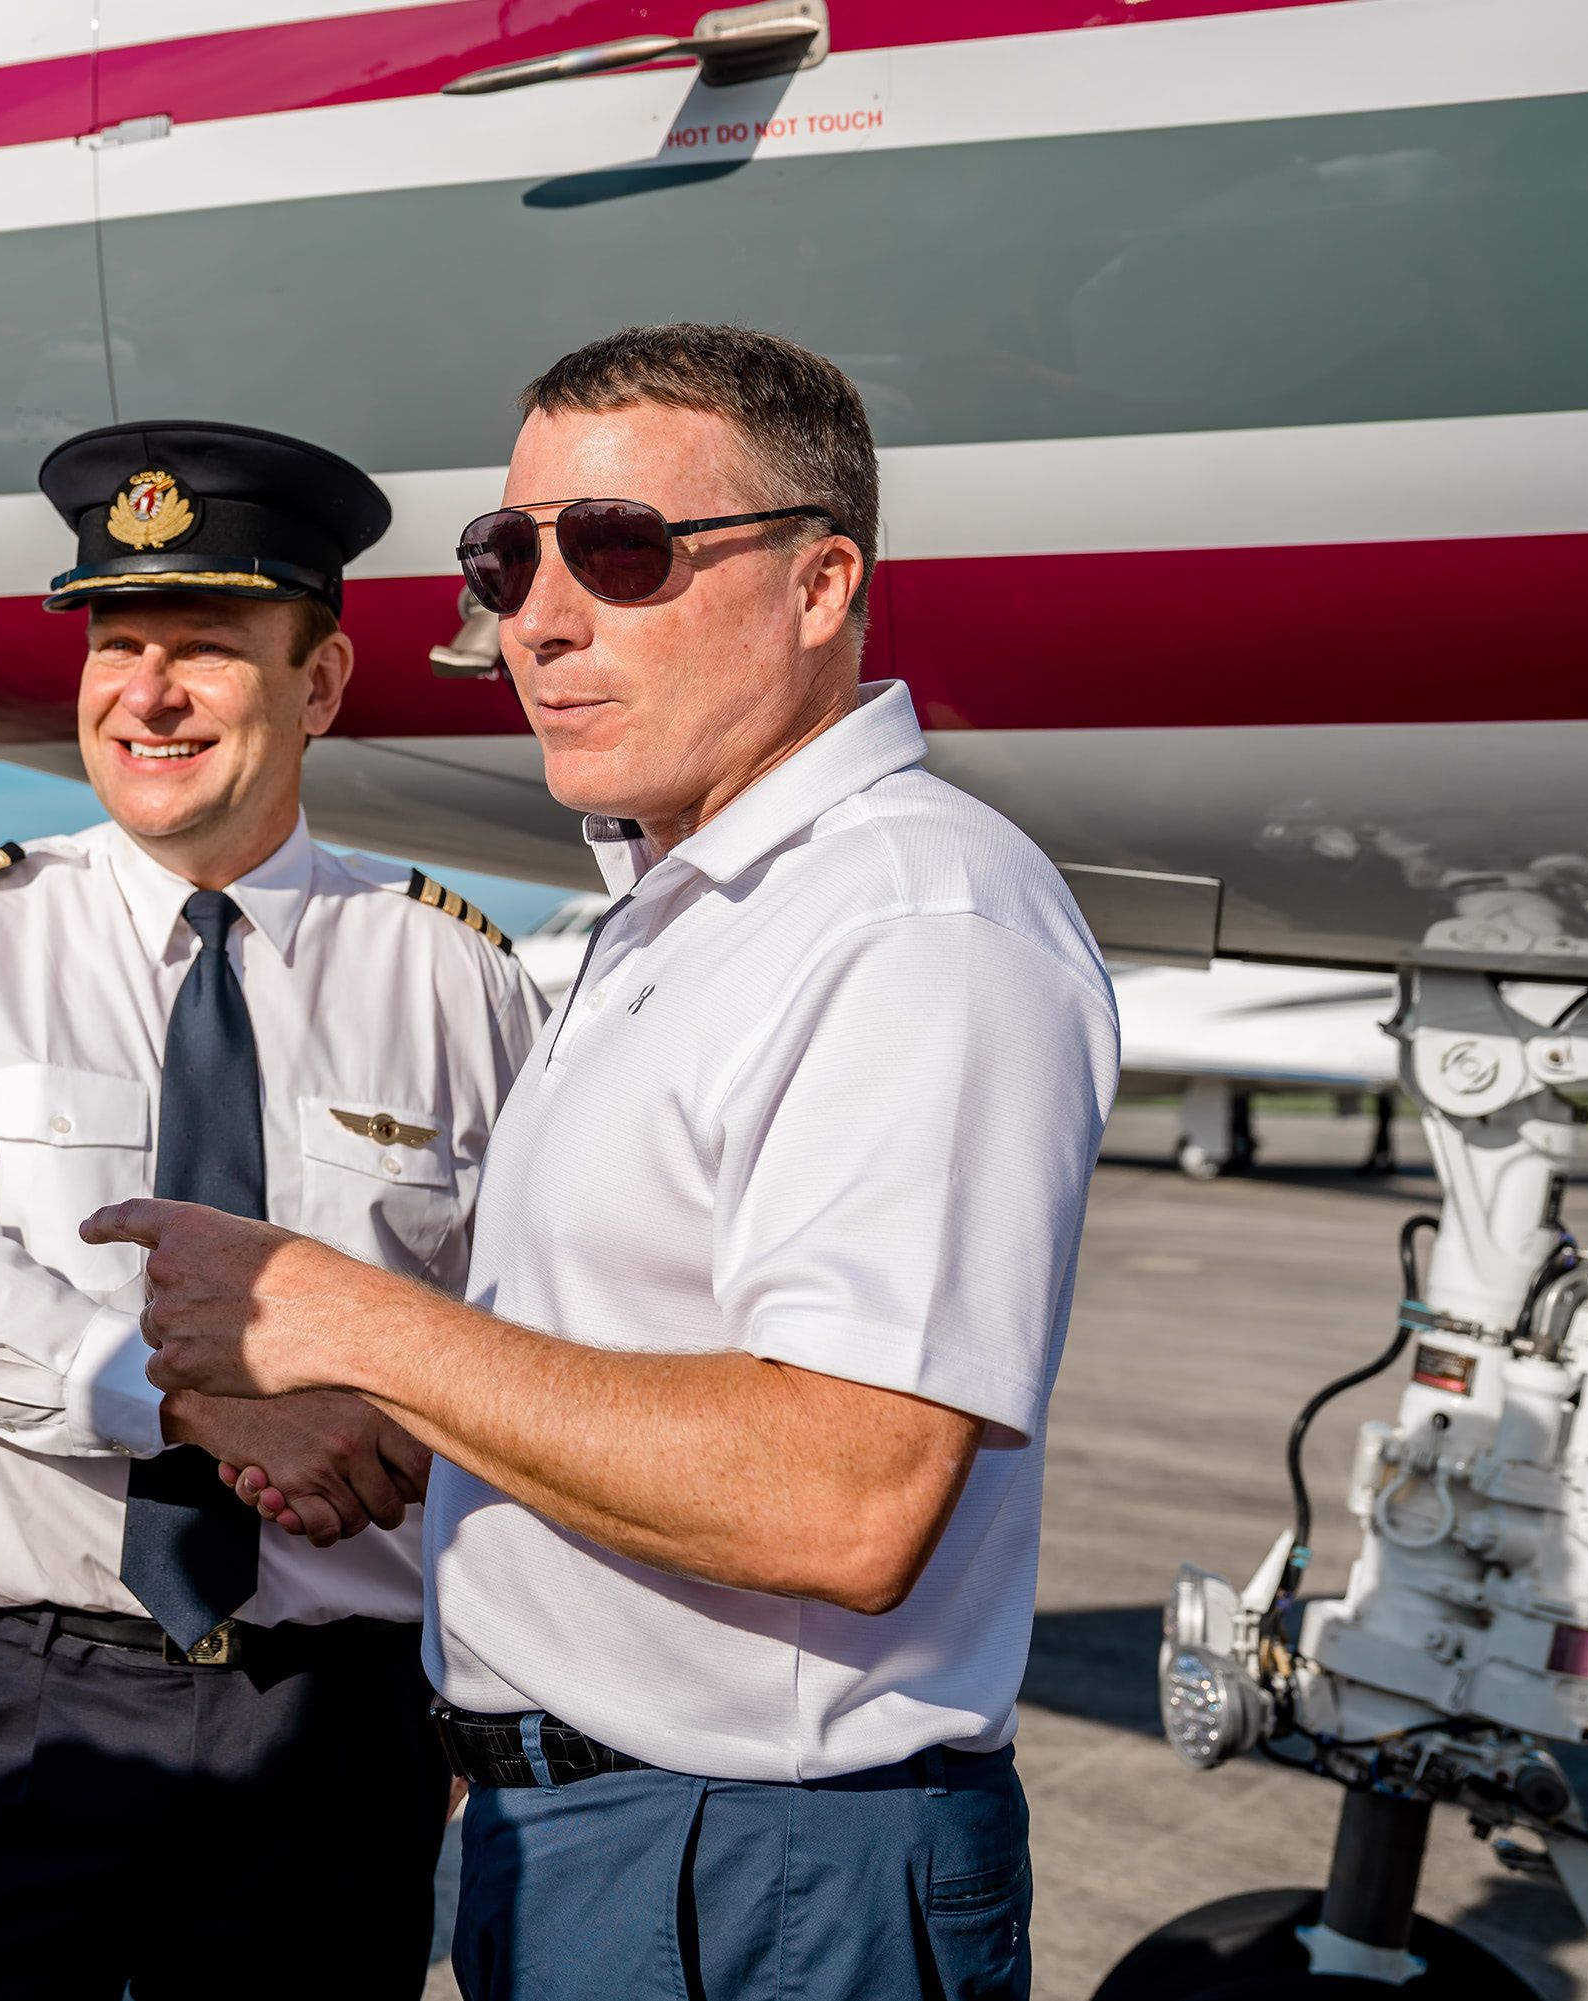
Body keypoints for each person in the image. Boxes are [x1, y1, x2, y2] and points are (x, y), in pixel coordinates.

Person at [88, 327, 1119, 2000]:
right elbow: (642, 1379)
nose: (535, 618)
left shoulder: (913, 920)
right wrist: (416, 1431)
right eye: (509, 554)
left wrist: (344, 1323)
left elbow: (841, 1491)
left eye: (623, 550)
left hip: (754, 1870)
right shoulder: (690, 905)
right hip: (595, 1843)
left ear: (819, 581)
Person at [0, 420, 546, 1999]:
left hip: (336, 1725)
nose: (145, 693)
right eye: (116, 643)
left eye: (205, 648)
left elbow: (528, 1338)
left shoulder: (456, 977)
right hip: (23, 1698)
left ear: (324, 685)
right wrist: (200, 1407)